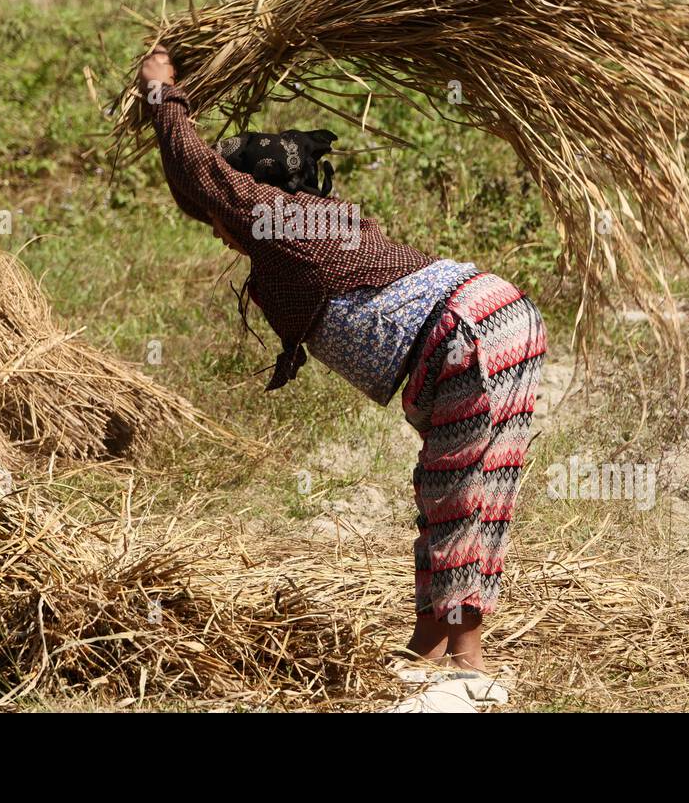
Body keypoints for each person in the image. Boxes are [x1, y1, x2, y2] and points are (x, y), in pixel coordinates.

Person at [137, 46, 546, 693]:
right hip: (495, 317)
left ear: (250, 194)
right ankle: (427, 648)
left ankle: (468, 667)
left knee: (459, 493)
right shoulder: (313, 222)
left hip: (466, 332)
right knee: (455, 488)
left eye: (224, 211)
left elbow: (198, 173)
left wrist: (161, 92)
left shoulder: (282, 222)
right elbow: (200, 191)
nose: (216, 228)